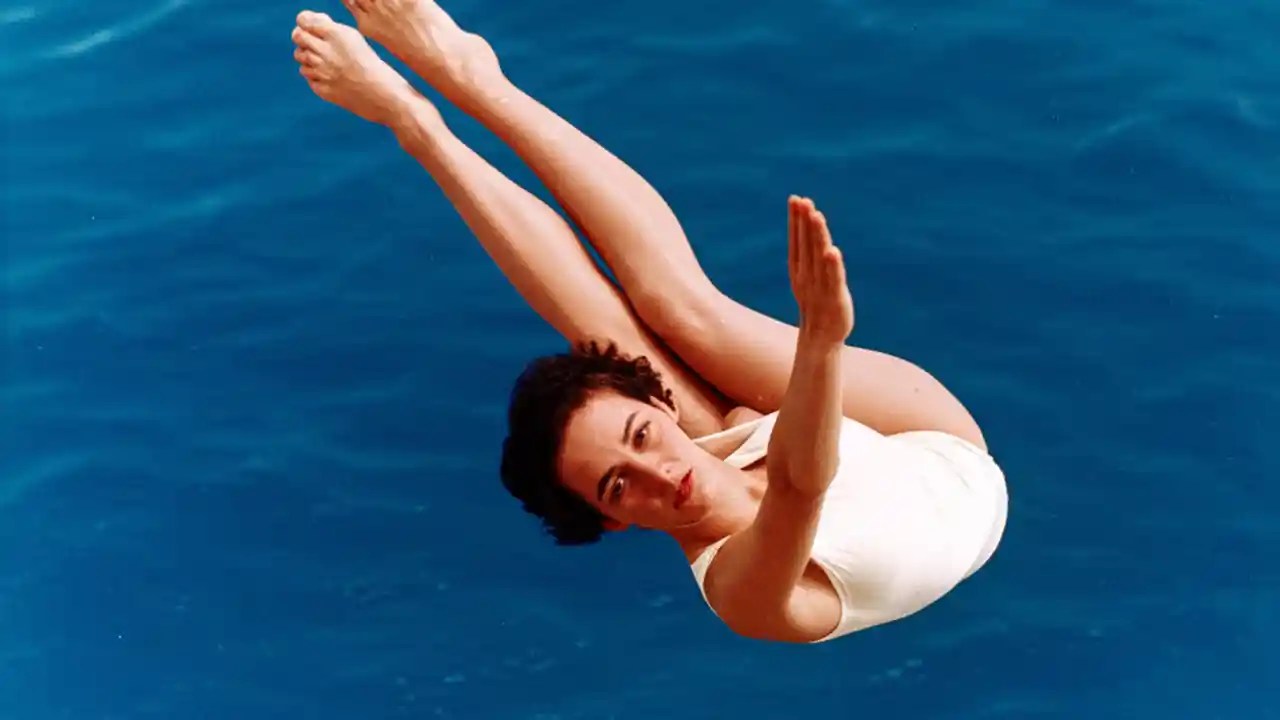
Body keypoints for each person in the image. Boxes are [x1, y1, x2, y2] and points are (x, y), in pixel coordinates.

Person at [291, 0, 1009, 644]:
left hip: (875, 437)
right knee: (688, 378)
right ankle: (413, 120)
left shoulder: (685, 440)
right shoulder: (740, 593)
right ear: (611, 521)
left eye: (640, 435)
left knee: (681, 312)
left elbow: (763, 455)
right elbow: (798, 486)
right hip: (945, 457)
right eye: (616, 486)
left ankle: (467, 80)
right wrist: (820, 342)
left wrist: (814, 353)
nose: (658, 472)